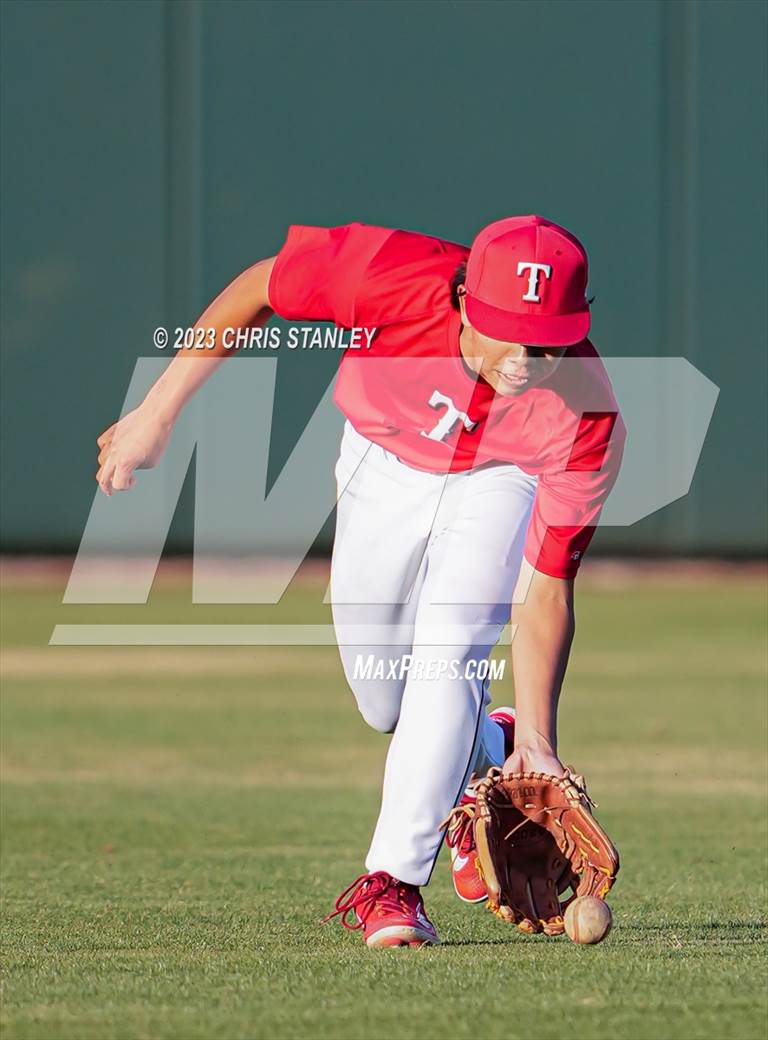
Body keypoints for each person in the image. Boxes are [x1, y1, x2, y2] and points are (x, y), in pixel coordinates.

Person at [96, 215, 624, 949]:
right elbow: (259, 288)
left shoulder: (586, 414)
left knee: (451, 655)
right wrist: (157, 412)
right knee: (384, 700)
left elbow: (546, 589)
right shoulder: (386, 274)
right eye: (512, 329)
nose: (531, 356)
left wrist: (540, 741)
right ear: (467, 298)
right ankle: (482, 748)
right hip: (382, 461)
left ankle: (395, 884)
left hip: (503, 483)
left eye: (551, 336)